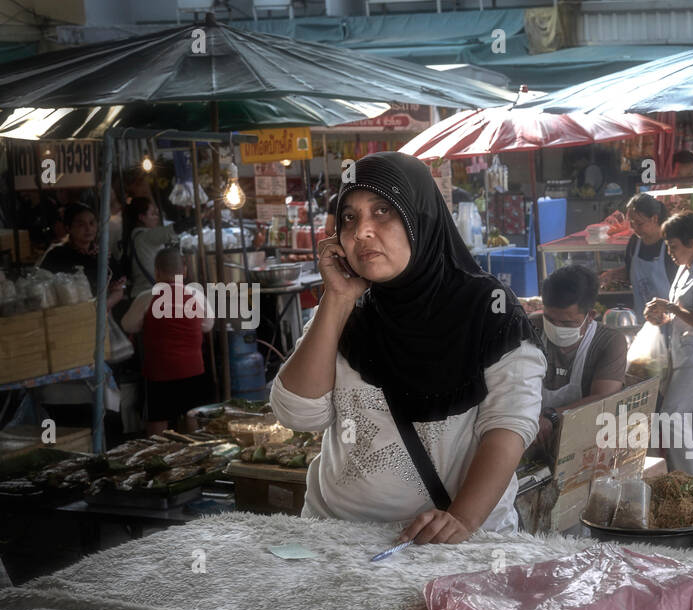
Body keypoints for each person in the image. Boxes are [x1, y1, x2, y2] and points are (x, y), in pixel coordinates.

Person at [269, 152, 545, 542]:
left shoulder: (490, 310)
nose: (362, 231)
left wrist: (462, 520)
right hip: (336, 537)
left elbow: (509, 425)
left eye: (382, 210)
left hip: (453, 542)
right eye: (349, 216)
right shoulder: (348, 308)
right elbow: (298, 415)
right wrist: (337, 300)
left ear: (422, 216)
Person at [643, 212, 693, 482]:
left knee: (671, 416)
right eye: (668, 247)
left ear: (691, 242)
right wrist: (660, 314)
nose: (671, 252)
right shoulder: (683, 269)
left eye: (673, 246)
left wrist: (670, 307)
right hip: (683, 354)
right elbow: (679, 313)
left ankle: (689, 482)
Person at [531, 264, 628, 454]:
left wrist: (551, 417)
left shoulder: (609, 342)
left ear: (590, 316)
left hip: (584, 438)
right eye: (550, 319)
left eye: (567, 323)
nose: (556, 327)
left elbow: (604, 398)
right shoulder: (530, 328)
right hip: (529, 432)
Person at [120, 246, 213, 434]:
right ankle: (194, 458)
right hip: (193, 370)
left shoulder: (146, 298)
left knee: (157, 419)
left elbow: (127, 325)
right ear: (184, 270)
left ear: (157, 271)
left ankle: (158, 458)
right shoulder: (198, 296)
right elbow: (207, 326)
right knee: (191, 417)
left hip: (159, 373)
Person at [599, 193, 675, 319]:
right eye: (632, 223)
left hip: (668, 318)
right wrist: (612, 275)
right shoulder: (635, 241)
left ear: (654, 219)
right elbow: (631, 272)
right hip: (641, 316)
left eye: (639, 223)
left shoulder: (670, 244)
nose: (634, 228)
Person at [38, 202, 127, 308]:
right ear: (68, 228)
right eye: (81, 224)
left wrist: (102, 307)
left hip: (101, 315)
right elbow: (43, 290)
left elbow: (118, 290)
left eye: (92, 223)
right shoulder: (56, 255)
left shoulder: (103, 254)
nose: (88, 228)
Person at [122, 197, 178, 299]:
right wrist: (199, 217)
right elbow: (172, 230)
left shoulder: (133, 238)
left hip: (141, 294)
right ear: (141, 217)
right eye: (153, 214)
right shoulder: (145, 236)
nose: (157, 217)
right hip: (150, 295)